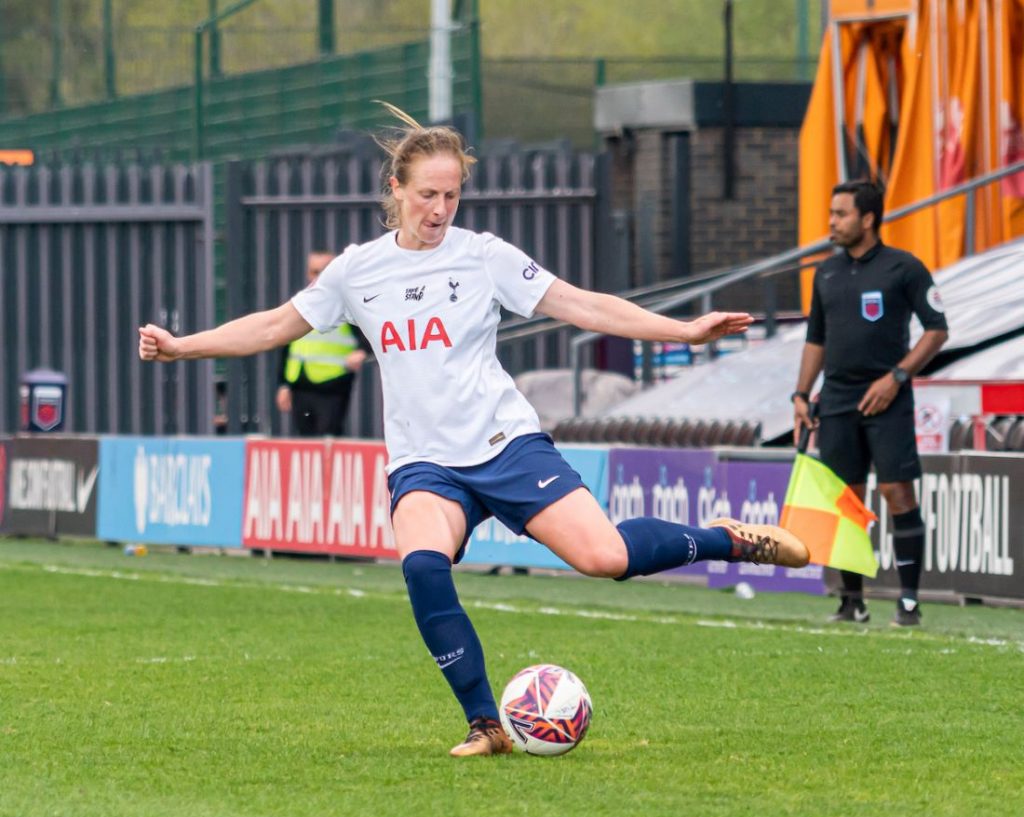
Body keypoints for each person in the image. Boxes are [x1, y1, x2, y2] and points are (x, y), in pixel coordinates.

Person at [139, 102, 810, 758]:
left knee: (606, 559)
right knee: (423, 565)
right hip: (425, 462)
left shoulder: (484, 256)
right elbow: (272, 325)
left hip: (506, 444)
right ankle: (485, 723)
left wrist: (683, 331)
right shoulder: (356, 270)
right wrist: (181, 346)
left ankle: (727, 539)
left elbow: (581, 305)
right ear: (396, 188)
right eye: (427, 194)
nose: (440, 209)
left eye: (452, 195)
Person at [792, 180, 948, 628]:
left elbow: (937, 330)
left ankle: (909, 602)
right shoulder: (826, 272)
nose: (831, 222)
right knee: (848, 500)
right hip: (837, 399)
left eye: (840, 214)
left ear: (868, 218)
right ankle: (852, 602)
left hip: (887, 399)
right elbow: (816, 339)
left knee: (897, 493)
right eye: (831, 213)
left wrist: (896, 377)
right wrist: (801, 394)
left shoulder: (904, 268)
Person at [276, 251, 371, 437]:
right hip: (299, 384)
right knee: (305, 444)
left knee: (327, 440)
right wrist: (283, 385)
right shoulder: (300, 305)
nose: (318, 278)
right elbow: (286, 347)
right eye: (314, 272)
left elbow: (370, 335)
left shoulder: (346, 306)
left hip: (332, 385)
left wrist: (362, 352)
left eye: (323, 272)